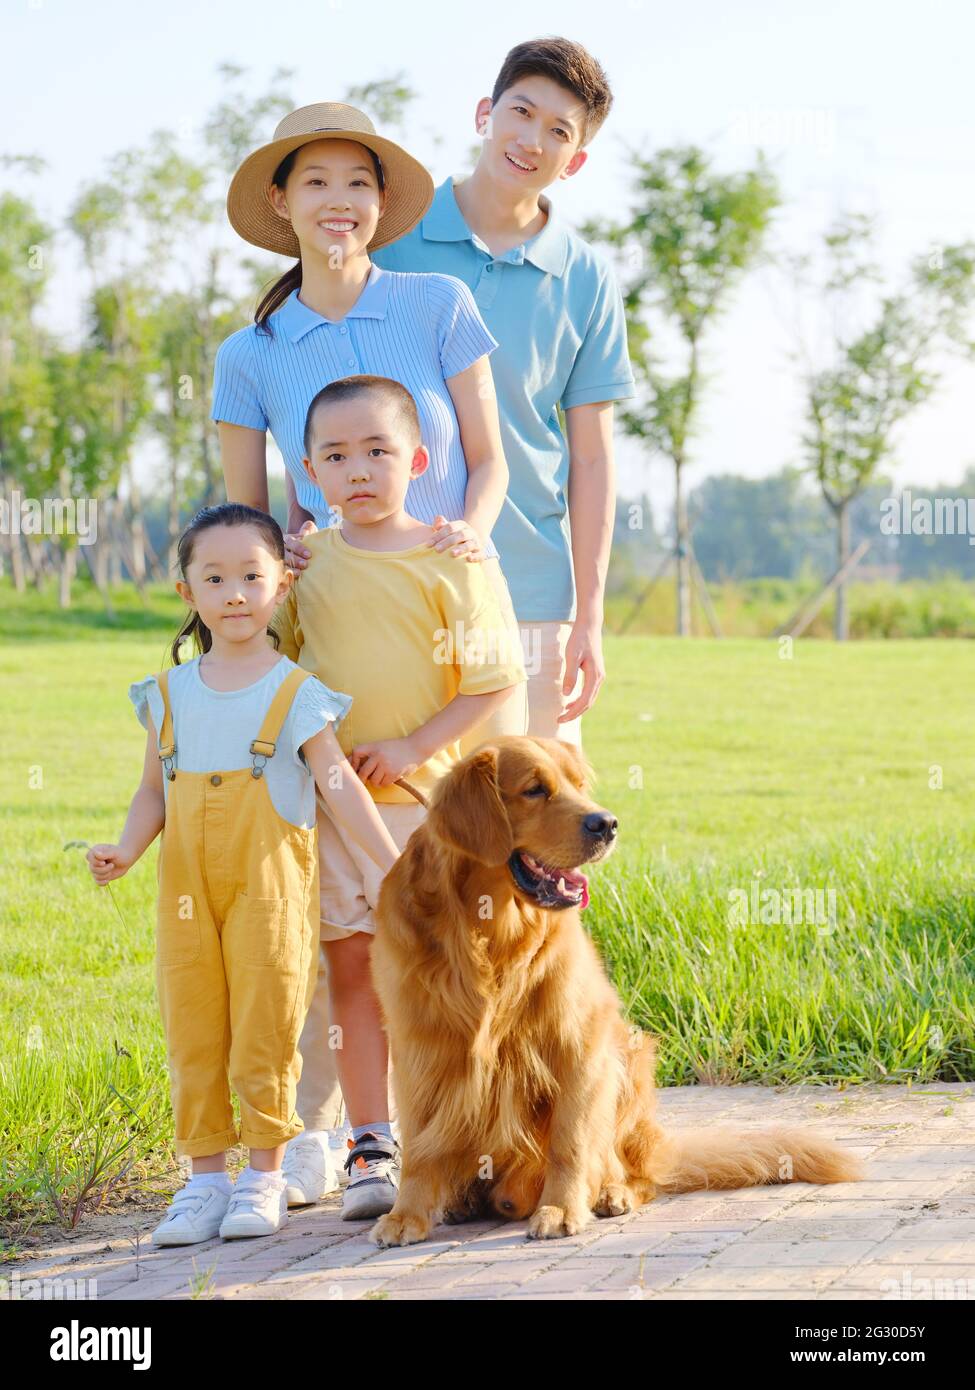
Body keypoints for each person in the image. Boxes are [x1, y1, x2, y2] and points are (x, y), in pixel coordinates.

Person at [213, 100, 530, 1181]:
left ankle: (493, 1124)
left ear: (383, 202)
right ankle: (328, 1138)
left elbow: (488, 460)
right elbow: (250, 525)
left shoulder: (436, 303)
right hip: (332, 658)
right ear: (280, 202)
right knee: (336, 921)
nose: (339, 202)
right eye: (315, 183)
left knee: (481, 910)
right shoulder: (249, 350)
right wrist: (286, 571)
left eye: (359, 182)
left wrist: (461, 548)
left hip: (450, 636)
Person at [303, 36, 634, 749]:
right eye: (521, 111)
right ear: (485, 112)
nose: (531, 139)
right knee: (402, 809)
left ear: (573, 161)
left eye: (557, 131)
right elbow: (321, 395)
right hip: (383, 579)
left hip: (528, 581)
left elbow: (593, 459)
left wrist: (590, 616)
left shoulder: (585, 279)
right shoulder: (387, 235)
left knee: (533, 817)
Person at [85, 503, 402, 1246]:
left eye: (251, 577)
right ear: (186, 592)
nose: (235, 593)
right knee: (193, 1026)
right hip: (185, 893)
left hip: (270, 894)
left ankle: (262, 1173)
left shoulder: (296, 693)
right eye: (215, 577)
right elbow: (151, 792)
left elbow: (339, 785)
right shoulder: (166, 695)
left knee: (267, 1024)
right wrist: (128, 849)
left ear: (282, 586)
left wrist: (389, 866)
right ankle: (202, 1181)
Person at [270, 373, 527, 1216]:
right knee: (350, 963)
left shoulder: (453, 561)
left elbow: (493, 680)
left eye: (377, 451)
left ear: (417, 460)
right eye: (336, 456)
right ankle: (370, 1146)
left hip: (429, 812)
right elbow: (269, 665)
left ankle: (463, 1137)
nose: (358, 470)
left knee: (446, 970)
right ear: (310, 475)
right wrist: (276, 570)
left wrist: (413, 745)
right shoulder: (306, 571)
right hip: (335, 807)